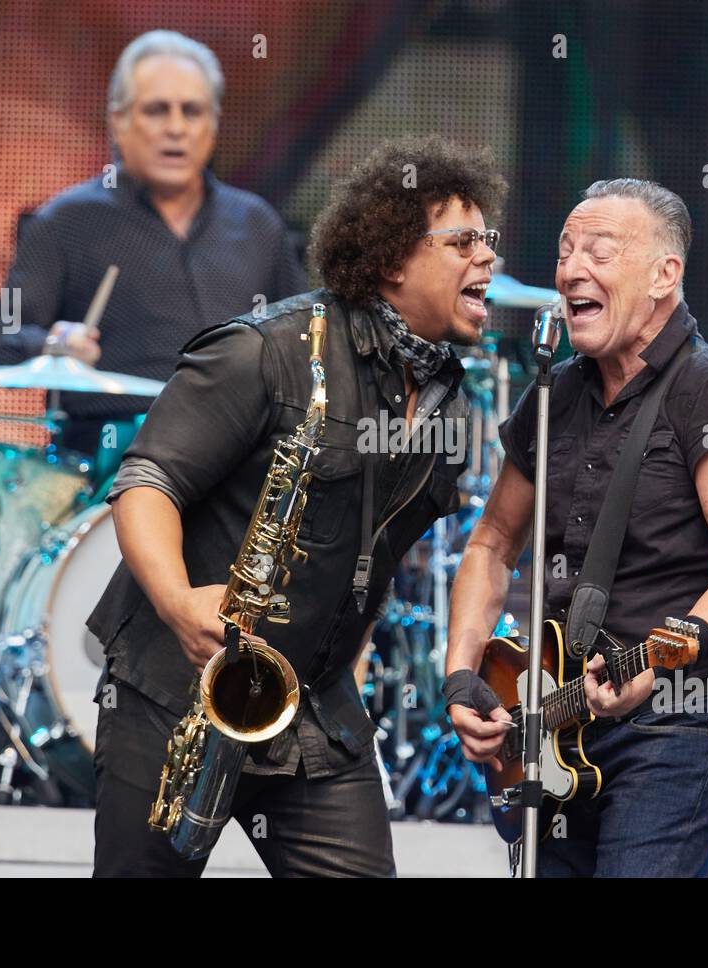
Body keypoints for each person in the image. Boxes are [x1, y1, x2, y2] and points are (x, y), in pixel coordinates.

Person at [87, 136, 508, 876]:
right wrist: (181, 602)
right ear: (390, 257)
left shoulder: (456, 414)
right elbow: (146, 482)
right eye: (464, 241)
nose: (489, 259)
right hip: (175, 692)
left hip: (311, 703)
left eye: (490, 241)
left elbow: (378, 550)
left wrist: (357, 640)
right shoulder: (267, 351)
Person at [445, 178, 708, 877]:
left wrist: (663, 660)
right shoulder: (556, 394)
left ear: (666, 275)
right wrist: (458, 677)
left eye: (598, 251)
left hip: (679, 721)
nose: (569, 270)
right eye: (566, 251)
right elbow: (490, 544)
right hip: (559, 720)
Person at [0, 30, 306, 456]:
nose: (175, 128)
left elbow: (308, 342)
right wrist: (52, 343)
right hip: (115, 457)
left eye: (192, 111)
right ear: (120, 121)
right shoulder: (65, 221)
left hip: (242, 453)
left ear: (213, 125)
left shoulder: (257, 223)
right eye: (156, 110)